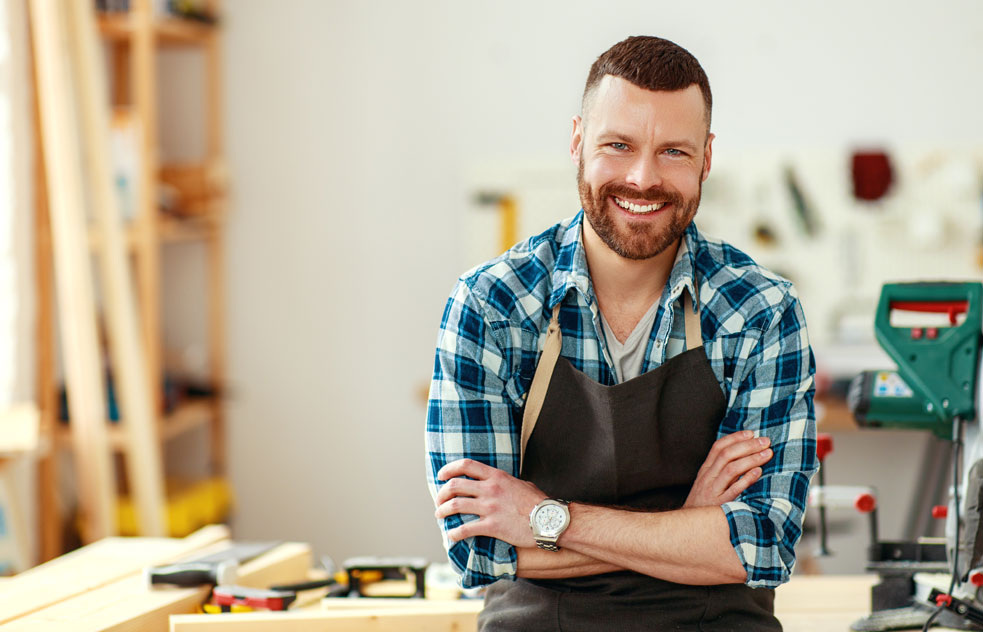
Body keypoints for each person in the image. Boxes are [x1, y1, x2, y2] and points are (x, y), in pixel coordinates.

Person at [425, 35, 817, 631]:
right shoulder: (492, 304)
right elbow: (481, 554)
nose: (643, 178)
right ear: (578, 140)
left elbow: (760, 546)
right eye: (618, 145)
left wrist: (545, 519)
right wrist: (688, 523)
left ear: (707, 158)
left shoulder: (760, 311)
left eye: (674, 153)